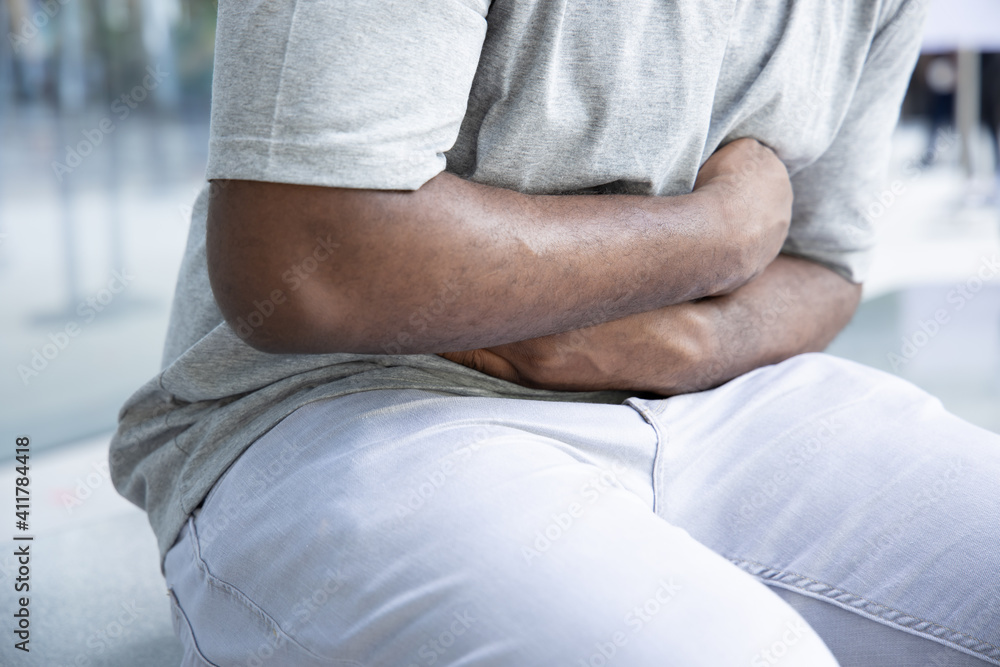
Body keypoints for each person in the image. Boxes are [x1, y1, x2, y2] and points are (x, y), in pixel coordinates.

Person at [110, 0, 1000, 665]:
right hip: (346, 404)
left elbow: (824, 267)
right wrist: (723, 233)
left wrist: (672, 346)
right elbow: (305, 257)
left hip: (712, 397)